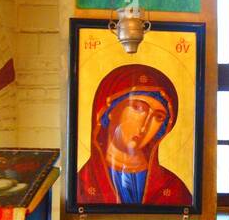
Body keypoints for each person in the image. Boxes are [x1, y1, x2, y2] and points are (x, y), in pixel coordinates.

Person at [77, 63, 192, 205]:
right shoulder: (83, 184)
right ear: (110, 111)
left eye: (158, 117)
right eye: (137, 107)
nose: (145, 125)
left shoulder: (173, 188)